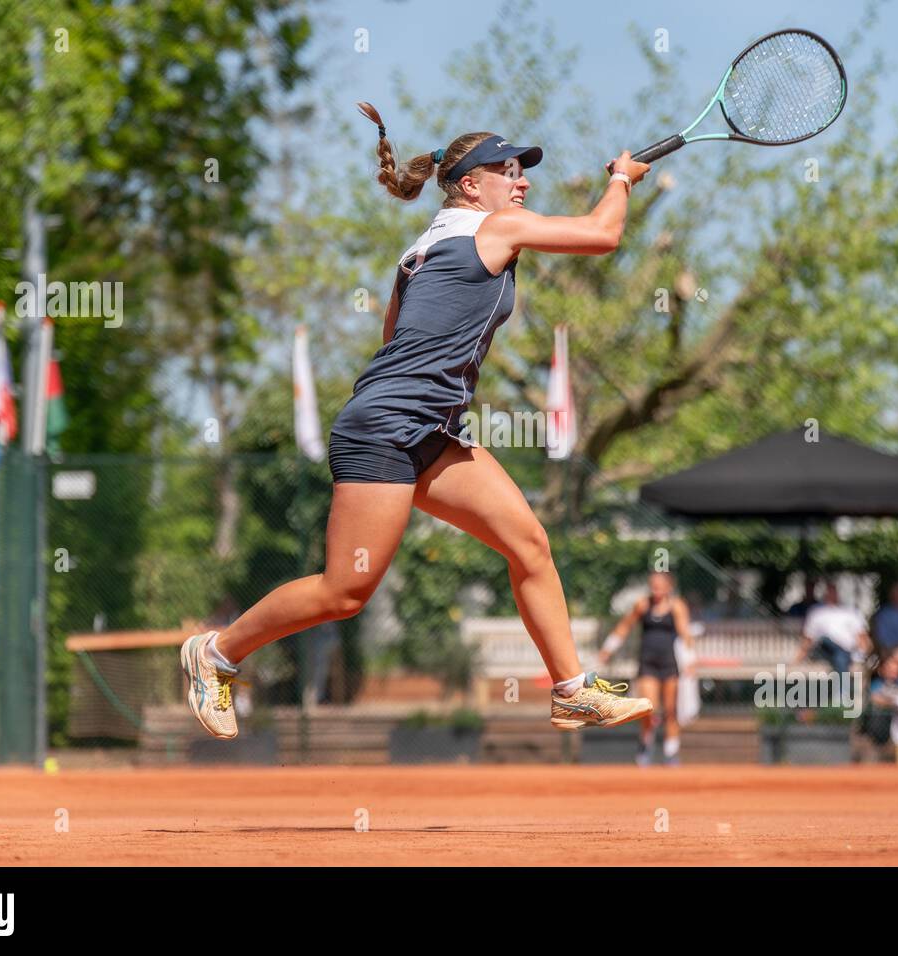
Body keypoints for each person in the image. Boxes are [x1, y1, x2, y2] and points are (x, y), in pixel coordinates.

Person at [179, 103, 654, 739]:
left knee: (529, 544)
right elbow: (603, 236)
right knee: (345, 592)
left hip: (424, 429)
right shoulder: (496, 228)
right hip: (384, 429)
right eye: (508, 170)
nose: (522, 182)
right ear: (469, 185)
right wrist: (621, 179)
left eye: (521, 171)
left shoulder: (418, 251)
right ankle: (214, 654)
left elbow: (392, 337)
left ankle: (570, 692)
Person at [598, 571, 696, 766]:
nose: (656, 589)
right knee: (649, 709)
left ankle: (671, 751)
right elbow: (624, 627)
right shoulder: (643, 605)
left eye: (660, 585)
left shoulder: (677, 606)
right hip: (648, 663)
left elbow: (686, 634)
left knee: (670, 709)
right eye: (653, 585)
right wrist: (608, 649)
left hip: (670, 664)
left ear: (669, 587)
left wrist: (690, 660)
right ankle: (646, 744)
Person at [793, 582, 871, 673]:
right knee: (826, 641)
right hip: (823, 650)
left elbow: (862, 637)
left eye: (834, 590)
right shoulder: (816, 612)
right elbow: (808, 638)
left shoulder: (851, 612)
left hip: (846, 652)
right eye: (828, 591)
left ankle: (841, 686)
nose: (831, 593)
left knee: (840, 657)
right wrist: (797, 660)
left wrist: (861, 655)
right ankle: (843, 686)